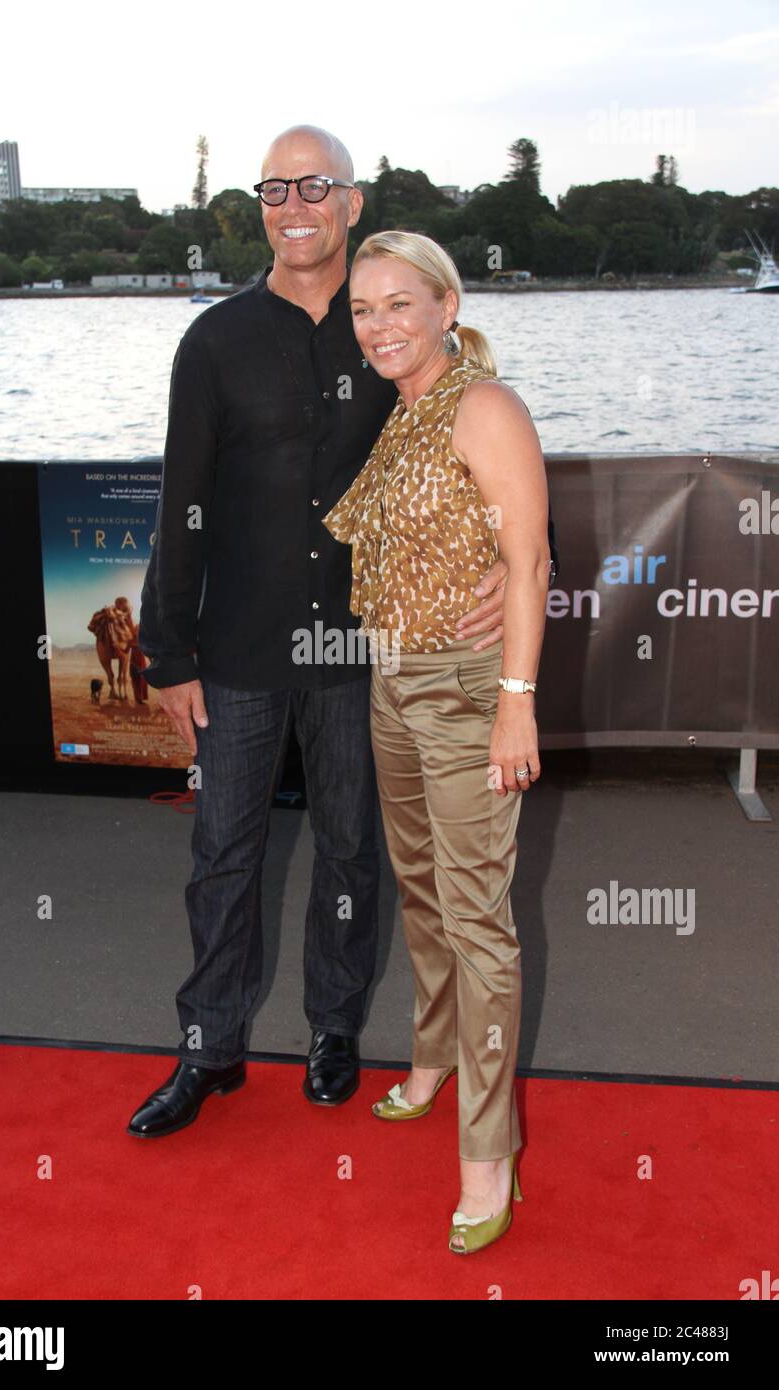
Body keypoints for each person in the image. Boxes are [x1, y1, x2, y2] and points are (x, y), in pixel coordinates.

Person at [127, 125, 559, 1141]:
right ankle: (208, 1048)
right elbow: (179, 499)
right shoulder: (216, 340)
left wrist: (524, 564)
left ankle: (331, 1033)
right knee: (222, 854)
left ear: (350, 204)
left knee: (354, 854)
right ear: (261, 208)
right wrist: (166, 648)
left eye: (314, 185)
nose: (295, 204)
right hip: (233, 649)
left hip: (363, 654)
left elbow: (487, 456)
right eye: (275, 188)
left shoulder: (388, 334)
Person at [323, 229, 549, 1254]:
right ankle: (427, 1057)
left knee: (476, 916)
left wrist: (514, 699)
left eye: (398, 304)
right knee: (417, 884)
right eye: (363, 309)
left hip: (466, 694)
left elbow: (530, 560)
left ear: (446, 304)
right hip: (393, 677)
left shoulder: (484, 406)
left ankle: (486, 1151)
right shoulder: (403, 407)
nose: (378, 326)